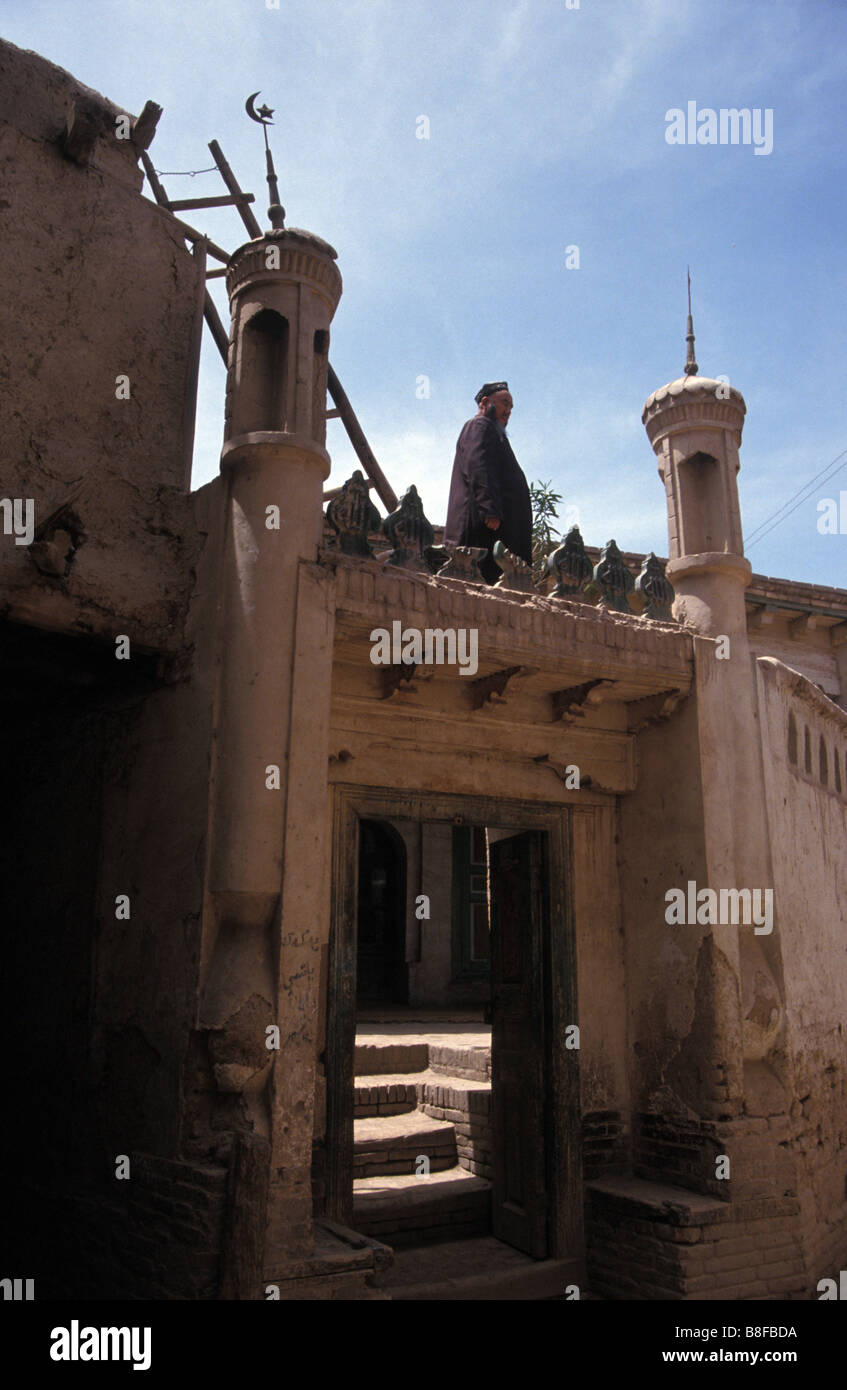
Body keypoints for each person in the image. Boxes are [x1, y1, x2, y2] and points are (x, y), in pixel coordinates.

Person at [444, 381, 533, 584]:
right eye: (504, 403)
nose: (508, 410)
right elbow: (478, 465)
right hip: (483, 531)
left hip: (498, 536)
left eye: (511, 407)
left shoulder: (496, 434)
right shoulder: (478, 426)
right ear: (485, 402)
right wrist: (489, 508)